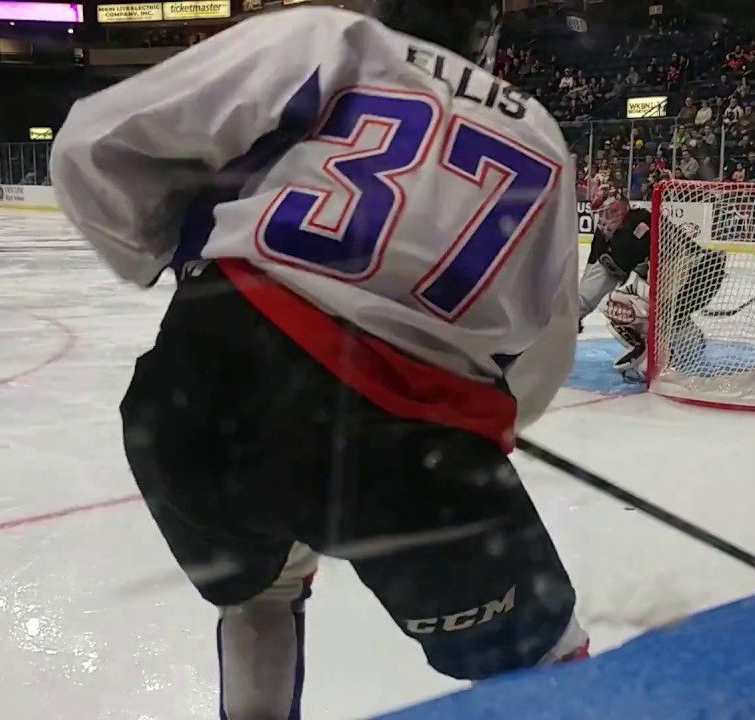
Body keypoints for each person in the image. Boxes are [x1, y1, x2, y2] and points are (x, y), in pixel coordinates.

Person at [49, 2, 589, 717]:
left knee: (262, 595)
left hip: (205, 391)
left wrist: (164, 255)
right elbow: (541, 347)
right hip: (404, 457)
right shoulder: (543, 136)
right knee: (546, 659)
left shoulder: (329, 37)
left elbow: (90, 144)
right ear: (488, 33)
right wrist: (475, 441)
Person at [600, 219, 726, 382]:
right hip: (662, 316)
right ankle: (653, 348)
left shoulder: (671, 265)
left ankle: (657, 351)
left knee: (612, 307)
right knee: (614, 311)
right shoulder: (643, 269)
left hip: (667, 317)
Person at [578, 187, 651, 328]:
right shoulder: (602, 235)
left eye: (605, 213)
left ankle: (649, 338)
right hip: (633, 278)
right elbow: (592, 267)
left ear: (618, 210)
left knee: (617, 304)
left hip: (659, 280)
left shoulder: (641, 220)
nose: (602, 220)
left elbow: (630, 264)